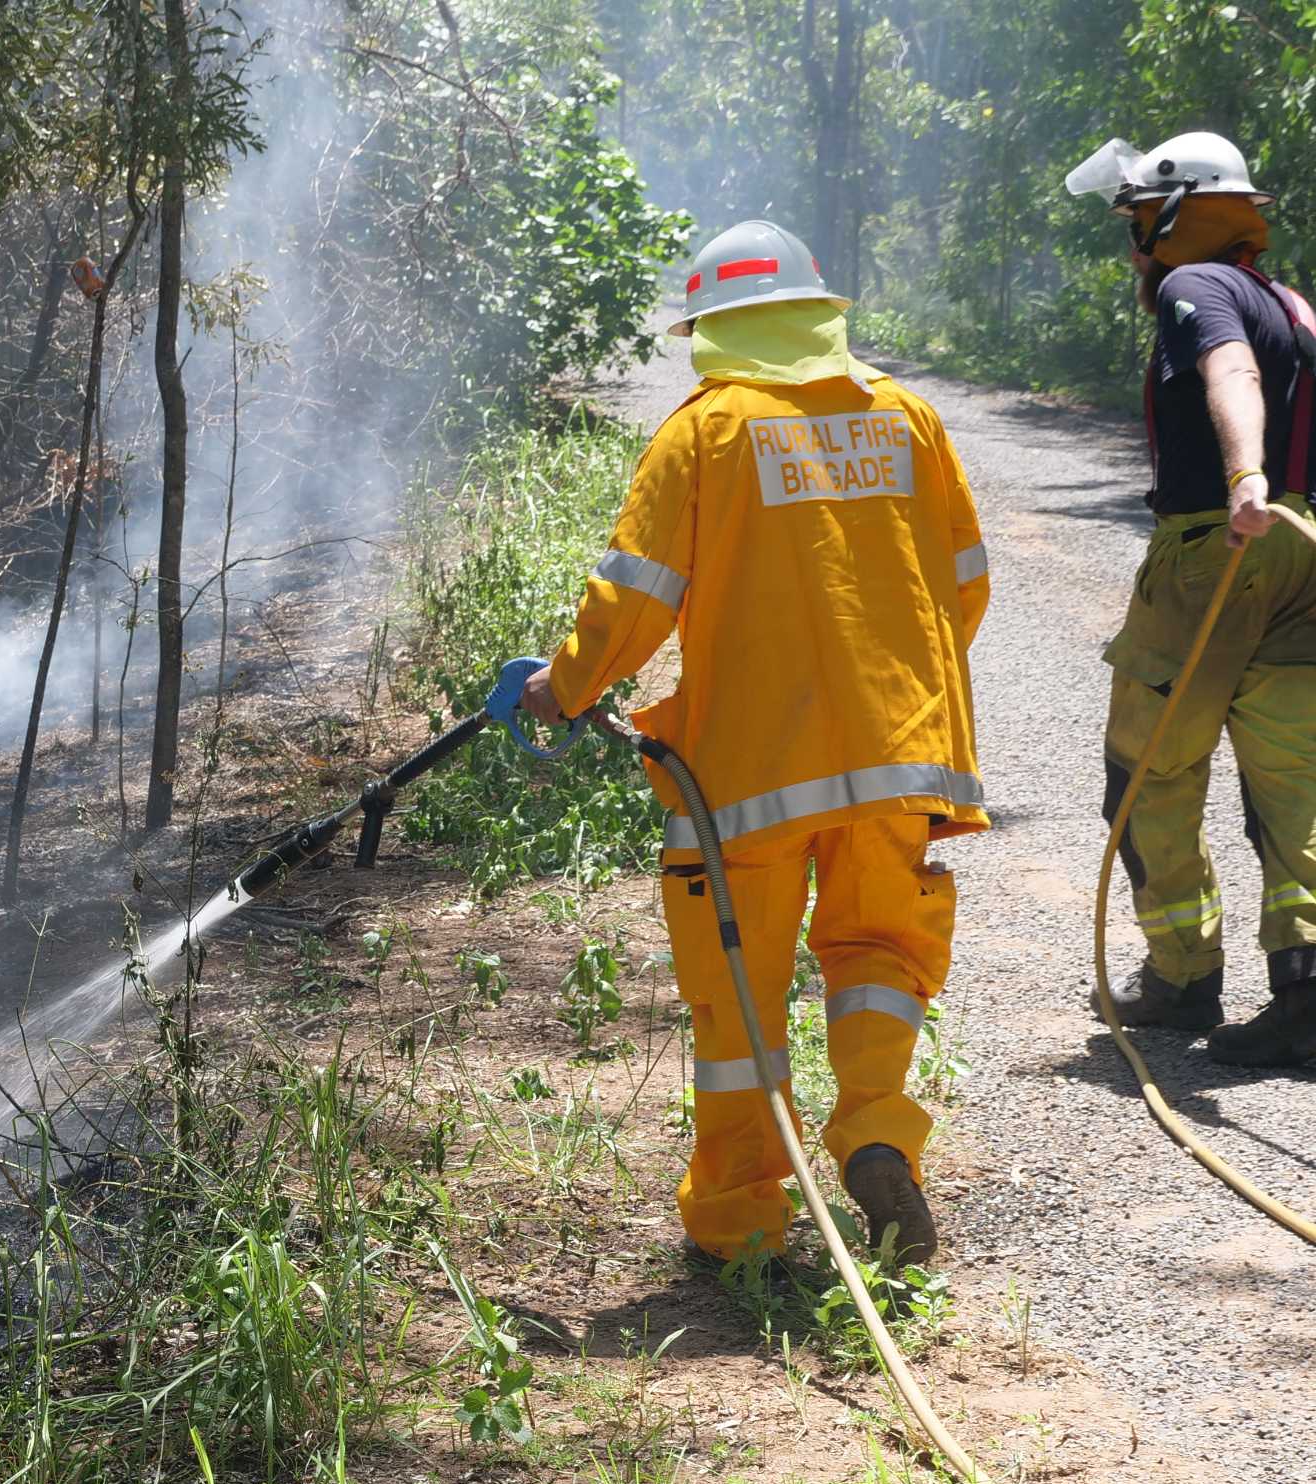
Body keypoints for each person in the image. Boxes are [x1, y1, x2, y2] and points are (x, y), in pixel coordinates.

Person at [519, 218, 990, 1268]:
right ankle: (875, 1133)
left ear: (715, 330)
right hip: (903, 753)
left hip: (751, 779)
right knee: (879, 957)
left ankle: (739, 1222)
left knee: (741, 998)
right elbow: (964, 581)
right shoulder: (907, 416)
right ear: (817, 314)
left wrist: (566, 686)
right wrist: (892, 687)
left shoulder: (708, 431)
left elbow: (634, 598)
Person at [1066, 131, 1316, 1067]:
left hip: (1218, 546)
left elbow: (1229, 373)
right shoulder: (1293, 302)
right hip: (1301, 556)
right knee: (1294, 779)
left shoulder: (1194, 287)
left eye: (1140, 224)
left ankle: (1180, 977)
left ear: (1177, 217)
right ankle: (1307, 993)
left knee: (1148, 768)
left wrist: (1242, 473)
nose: (1136, 248)